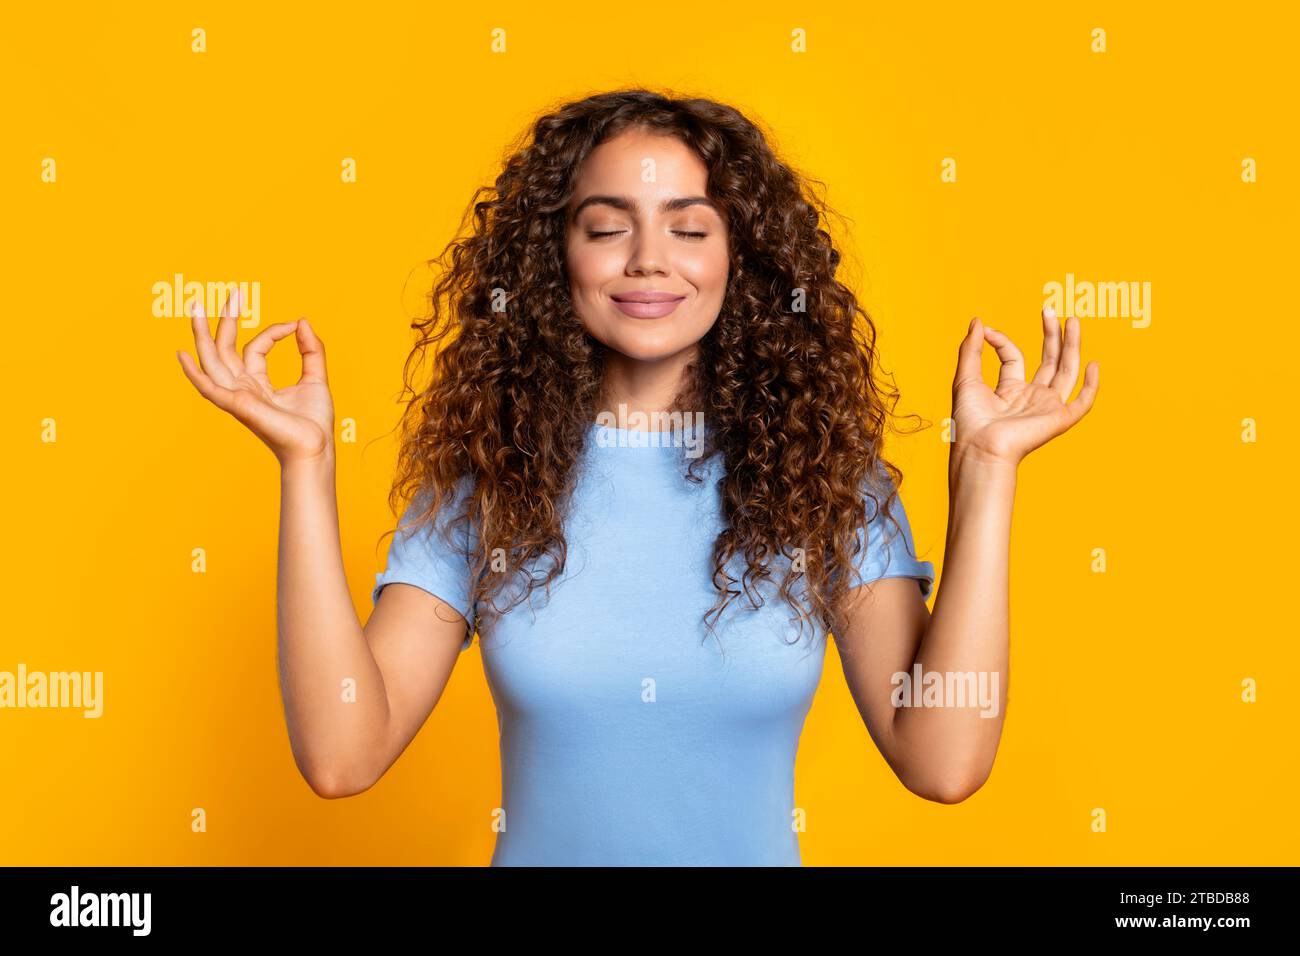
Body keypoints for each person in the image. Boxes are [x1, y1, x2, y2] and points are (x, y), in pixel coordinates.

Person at [176, 88, 1099, 866]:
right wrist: (305, 463)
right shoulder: (491, 486)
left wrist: (986, 472)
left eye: (689, 228)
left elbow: (943, 761)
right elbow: (343, 755)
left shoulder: (826, 488)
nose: (648, 259)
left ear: (740, 259)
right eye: (607, 227)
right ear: (556, 260)